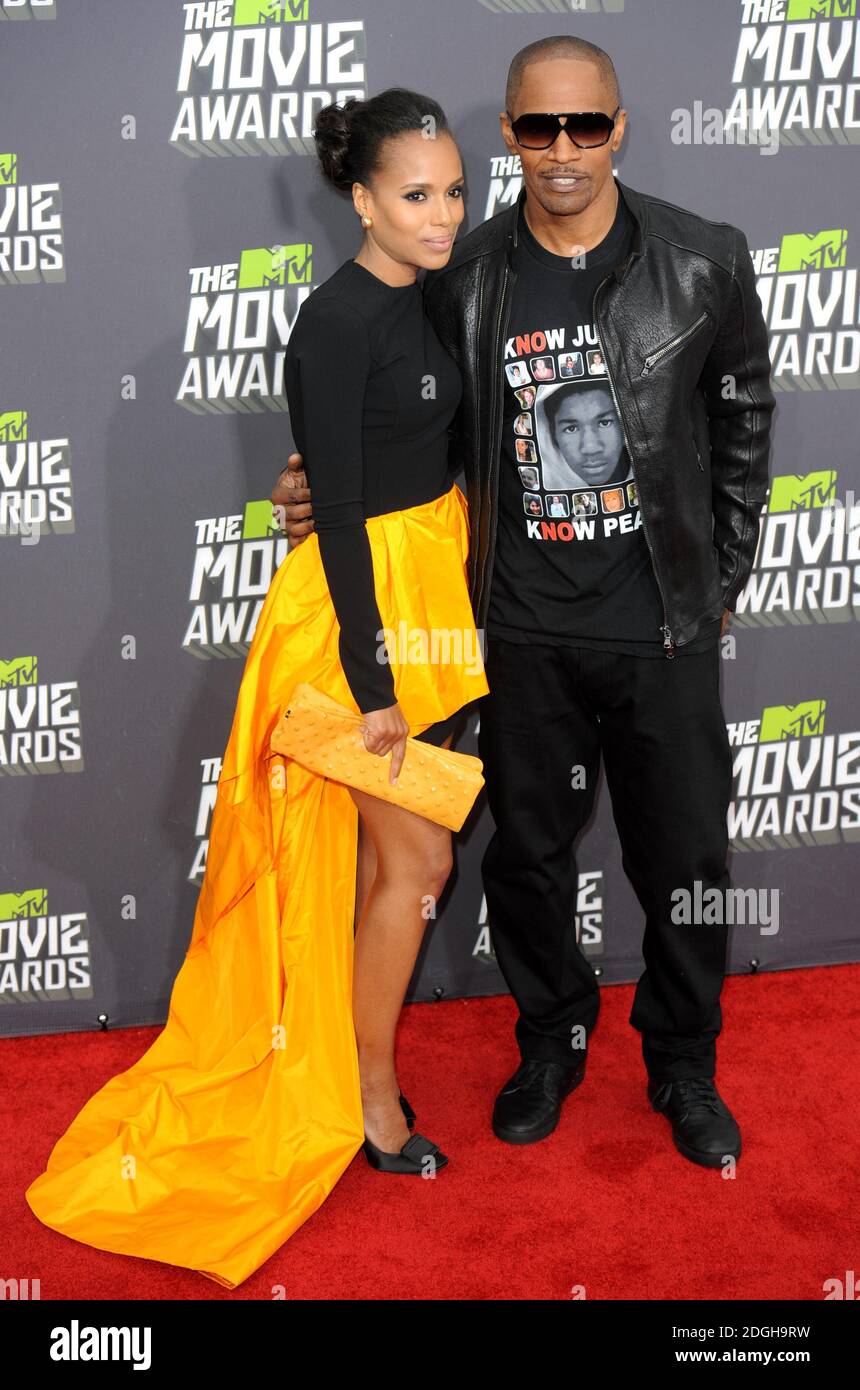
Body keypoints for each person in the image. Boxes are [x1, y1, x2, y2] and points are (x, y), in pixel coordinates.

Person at [272, 36, 776, 1170]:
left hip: (657, 629)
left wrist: (721, 570)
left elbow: (742, 415)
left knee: (685, 862)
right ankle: (548, 1038)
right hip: (519, 630)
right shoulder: (464, 272)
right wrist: (313, 483)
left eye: (584, 126)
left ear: (617, 126)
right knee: (528, 859)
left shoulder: (699, 260)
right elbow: (410, 423)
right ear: (507, 133)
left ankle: (681, 1060)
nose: (561, 151)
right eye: (537, 128)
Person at [25, 88, 488, 1289]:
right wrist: (378, 682)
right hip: (349, 626)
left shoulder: (441, 285)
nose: (441, 214)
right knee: (421, 865)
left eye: (450, 191)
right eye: (414, 195)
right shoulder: (333, 322)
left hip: (431, 592)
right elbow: (331, 509)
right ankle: (369, 1094)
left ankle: (350, 1068)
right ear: (359, 199)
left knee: (400, 864)